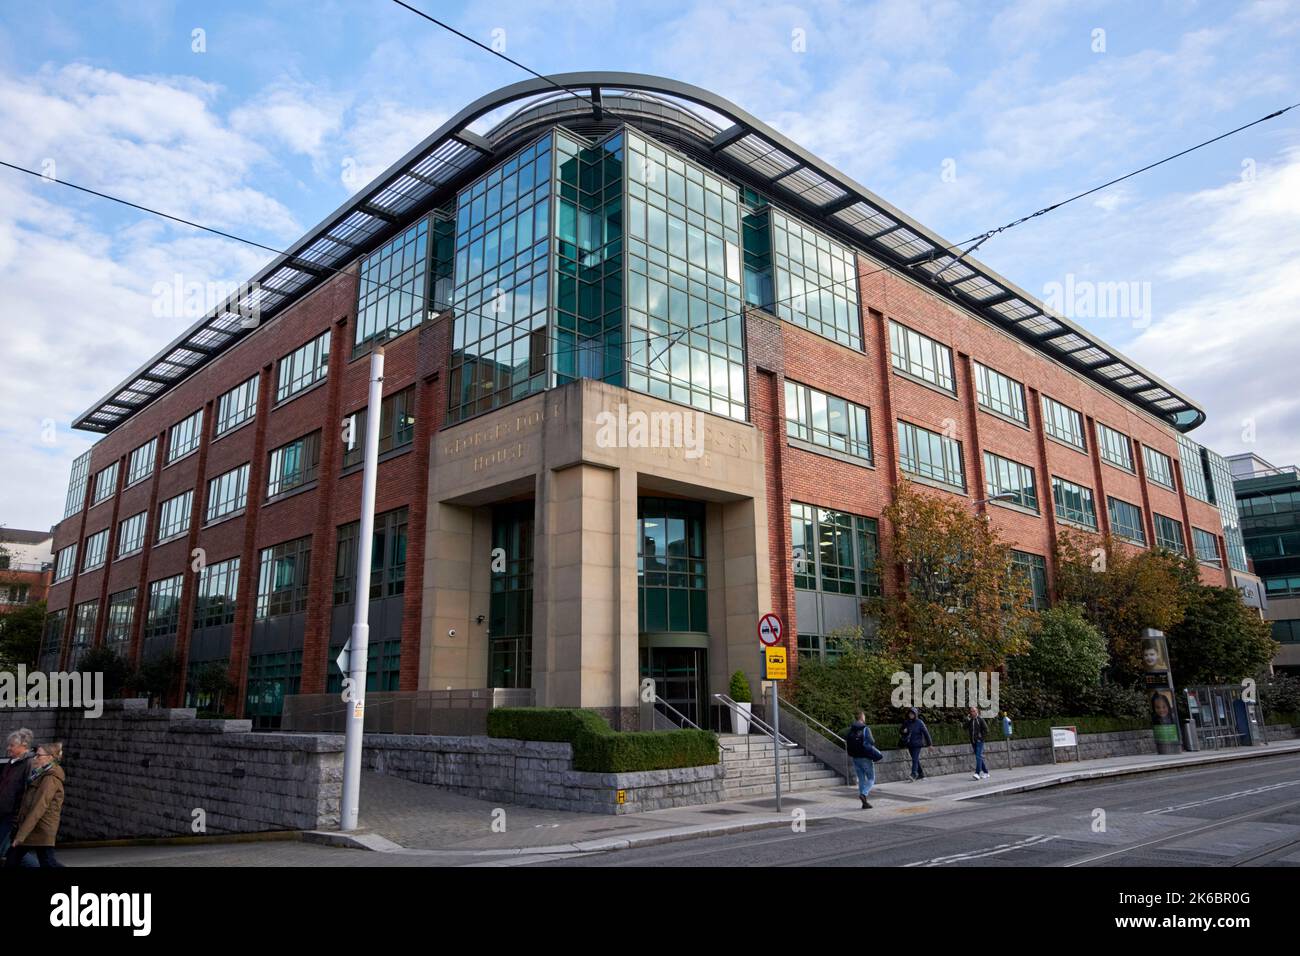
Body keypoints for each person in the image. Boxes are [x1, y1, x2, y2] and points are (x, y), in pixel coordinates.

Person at [6, 742, 65, 868]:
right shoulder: (40, 773)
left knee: (48, 863)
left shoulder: (50, 778)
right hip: (33, 828)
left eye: (39, 755)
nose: (35, 758)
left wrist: (21, 835)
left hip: (41, 829)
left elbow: (39, 806)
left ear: (50, 757)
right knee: (13, 859)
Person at [0, 729, 35, 859]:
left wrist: (18, 816)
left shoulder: (29, 764)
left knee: (8, 850)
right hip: (3, 812)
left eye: (12, 745)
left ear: (24, 746)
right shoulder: (11, 762)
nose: (8, 748)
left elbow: (29, 792)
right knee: (8, 851)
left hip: (12, 815)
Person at [844, 710, 880, 809]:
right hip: (865, 757)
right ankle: (864, 794)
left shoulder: (851, 729)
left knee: (861, 780)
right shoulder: (865, 729)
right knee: (871, 778)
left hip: (855, 758)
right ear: (862, 718)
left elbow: (847, 740)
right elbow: (872, 741)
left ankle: (864, 803)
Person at [899, 708, 932, 781]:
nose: (911, 715)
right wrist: (904, 731)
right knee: (915, 759)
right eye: (910, 714)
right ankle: (921, 774)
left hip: (917, 744)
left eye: (912, 714)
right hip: (909, 744)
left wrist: (929, 744)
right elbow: (900, 730)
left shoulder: (920, 722)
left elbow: (926, 733)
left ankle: (914, 774)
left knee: (914, 759)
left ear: (915, 714)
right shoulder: (906, 722)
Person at [966, 706, 989, 780]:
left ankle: (977, 773)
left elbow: (986, 730)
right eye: (971, 711)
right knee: (979, 757)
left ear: (977, 712)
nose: (972, 712)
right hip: (973, 742)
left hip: (979, 741)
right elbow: (964, 727)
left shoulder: (980, 720)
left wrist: (981, 738)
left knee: (978, 756)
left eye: (974, 711)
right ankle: (986, 772)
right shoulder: (971, 720)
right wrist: (967, 720)